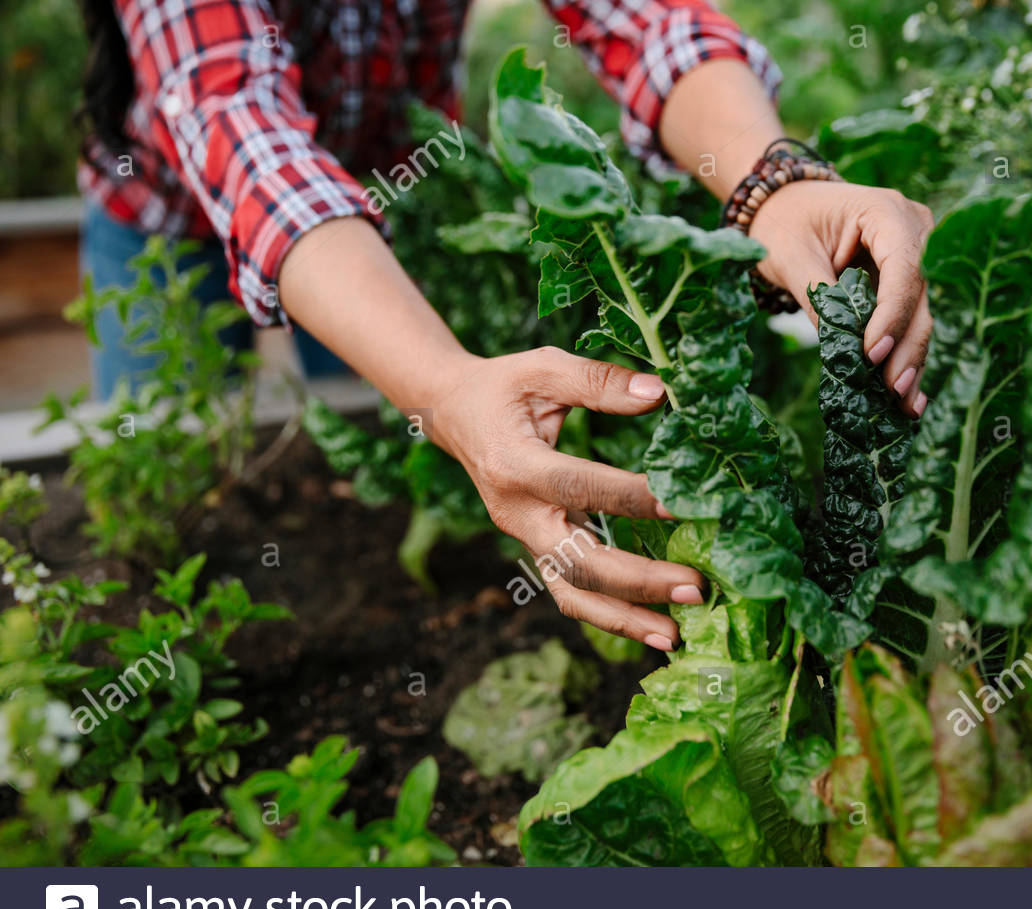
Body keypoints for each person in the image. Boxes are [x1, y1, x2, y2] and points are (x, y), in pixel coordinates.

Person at [78, 0, 934, 652]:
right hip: (163, 216)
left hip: (389, 207)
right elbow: (244, 131)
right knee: (168, 490)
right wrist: (445, 386)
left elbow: (645, 22)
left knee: (388, 410)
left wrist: (774, 182)